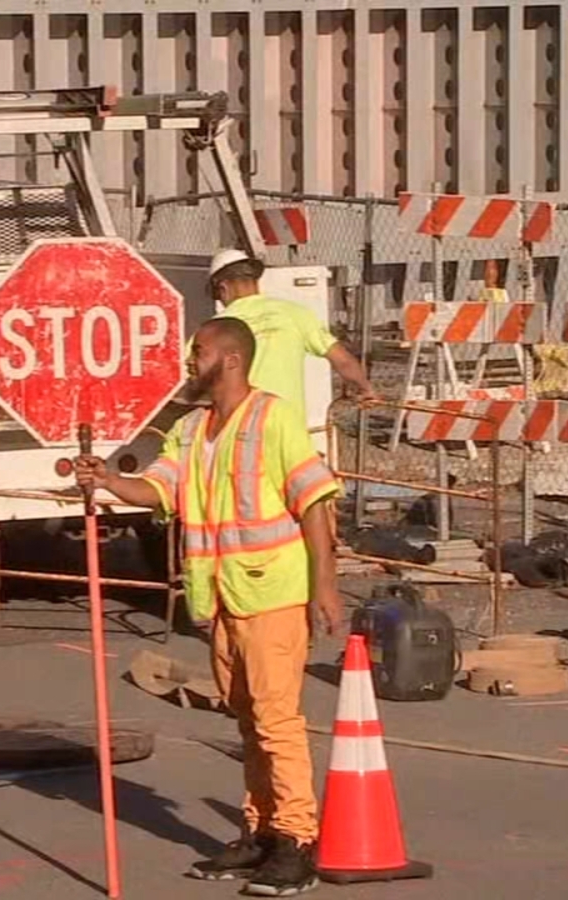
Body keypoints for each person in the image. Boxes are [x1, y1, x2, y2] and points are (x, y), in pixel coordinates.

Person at [74, 317, 343, 896]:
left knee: (277, 721)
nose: (189, 362)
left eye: (198, 352)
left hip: (272, 594)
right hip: (220, 598)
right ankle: (260, 831)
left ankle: (296, 840)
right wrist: (108, 481)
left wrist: (325, 584)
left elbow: (314, 502)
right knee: (247, 720)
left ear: (231, 359)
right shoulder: (192, 428)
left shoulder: (272, 418)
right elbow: (158, 489)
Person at [206, 248, 377, 429]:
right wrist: (366, 388)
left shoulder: (215, 328)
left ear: (223, 288)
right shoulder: (295, 313)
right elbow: (343, 361)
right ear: (255, 281)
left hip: (240, 429)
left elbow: (192, 380)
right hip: (290, 430)